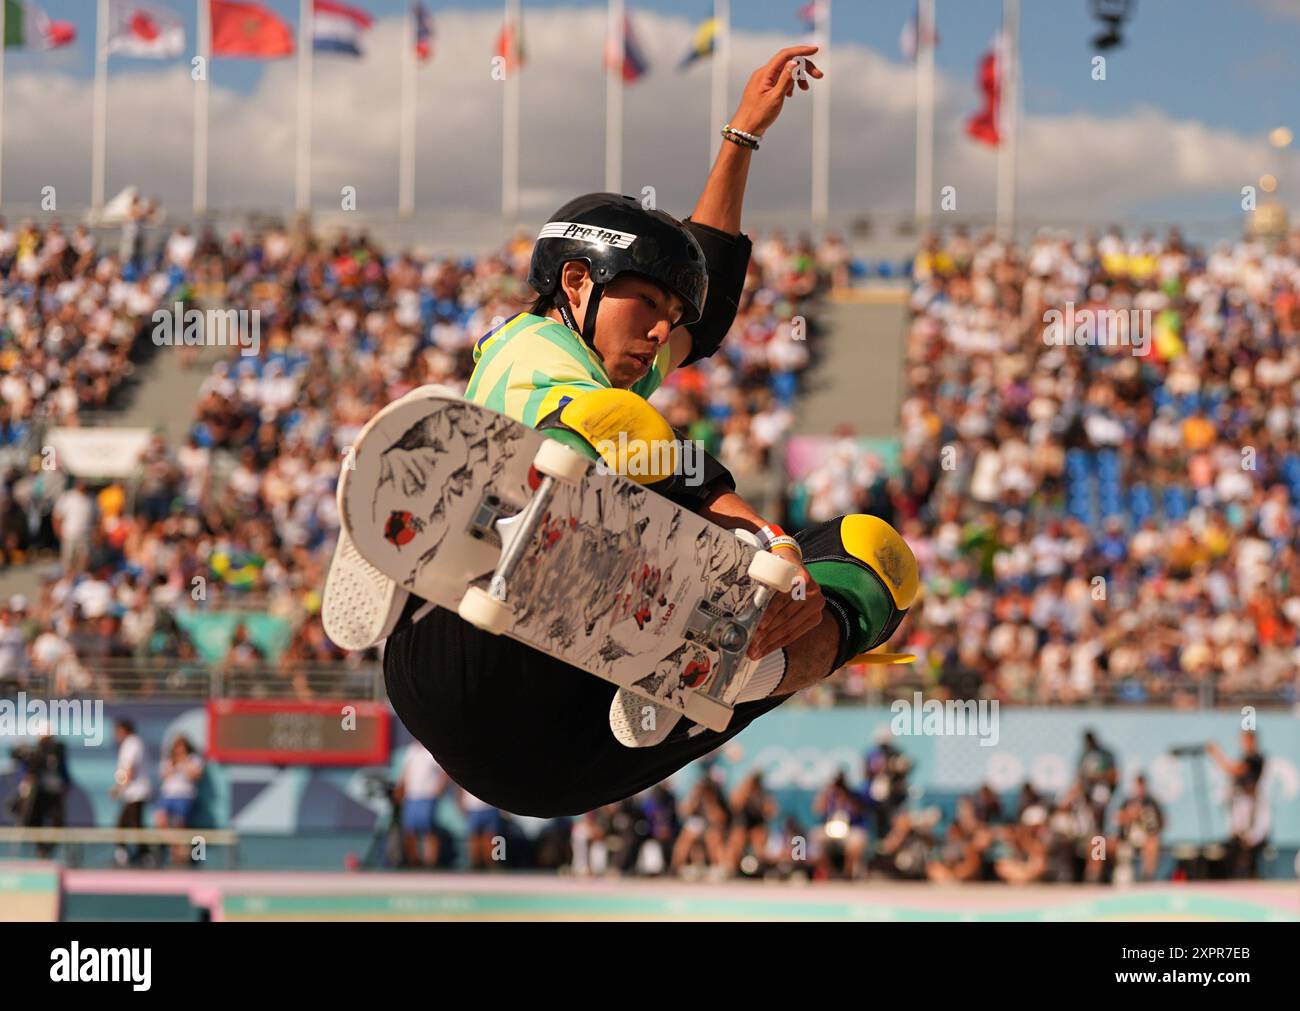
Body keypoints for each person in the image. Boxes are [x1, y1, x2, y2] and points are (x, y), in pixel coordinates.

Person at [328, 47, 919, 820]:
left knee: (879, 563)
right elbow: (620, 425)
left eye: (666, 323)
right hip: (468, 652)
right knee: (619, 428)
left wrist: (741, 137)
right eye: (647, 310)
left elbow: (701, 313)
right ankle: (418, 547)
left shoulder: (613, 357)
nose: (660, 336)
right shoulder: (528, 348)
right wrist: (762, 540)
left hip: (568, 755)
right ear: (577, 282)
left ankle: (718, 664)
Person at [1208, 730, 1269, 878]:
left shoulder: (1255, 759)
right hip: (1239, 804)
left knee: (1248, 841)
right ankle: (1238, 874)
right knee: (1236, 840)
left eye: (1247, 740)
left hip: (1250, 805)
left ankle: (1249, 874)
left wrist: (1217, 754)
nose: (1244, 744)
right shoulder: (1247, 758)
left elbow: (1233, 770)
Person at [394, 742, 449, 868]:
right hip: (411, 797)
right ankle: (414, 862)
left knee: (429, 830)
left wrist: (439, 789)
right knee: (410, 831)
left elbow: (445, 772)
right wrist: (401, 789)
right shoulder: (411, 751)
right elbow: (406, 772)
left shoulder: (432, 751)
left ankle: (431, 863)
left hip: (427, 797)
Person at [155, 735, 203, 865]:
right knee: (161, 820)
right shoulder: (169, 760)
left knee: (179, 823)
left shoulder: (193, 759)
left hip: (184, 796)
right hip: (168, 795)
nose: (179, 750)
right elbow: (163, 776)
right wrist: (173, 765)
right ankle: (174, 847)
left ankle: (182, 853)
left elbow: (196, 775)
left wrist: (185, 762)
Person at [110, 718, 151, 867]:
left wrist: (118, 788)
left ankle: (140, 854)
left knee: (128, 825)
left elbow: (129, 771)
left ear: (123, 730)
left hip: (137, 792)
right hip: (132, 793)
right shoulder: (130, 744)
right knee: (133, 824)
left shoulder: (132, 743)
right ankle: (141, 854)